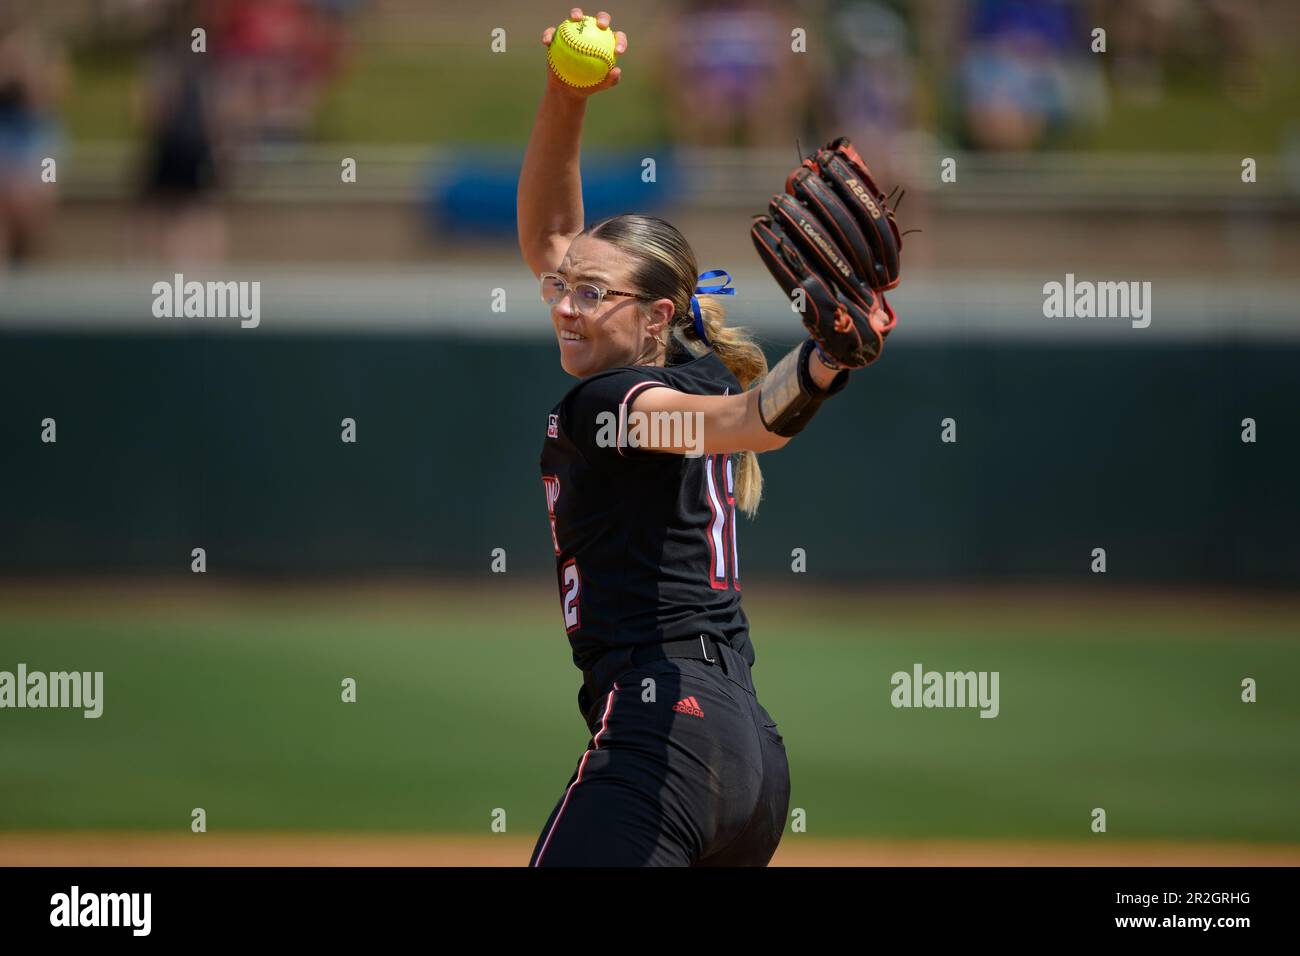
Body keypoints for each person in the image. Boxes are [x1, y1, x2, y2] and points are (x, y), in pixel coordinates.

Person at [517, 9, 856, 866]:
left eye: (591, 294)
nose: (564, 301)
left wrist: (818, 364)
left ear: (655, 315)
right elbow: (552, 240)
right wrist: (566, 95)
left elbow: (745, 426)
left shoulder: (614, 403)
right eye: (566, 288)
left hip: (663, 734)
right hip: (745, 754)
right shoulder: (694, 359)